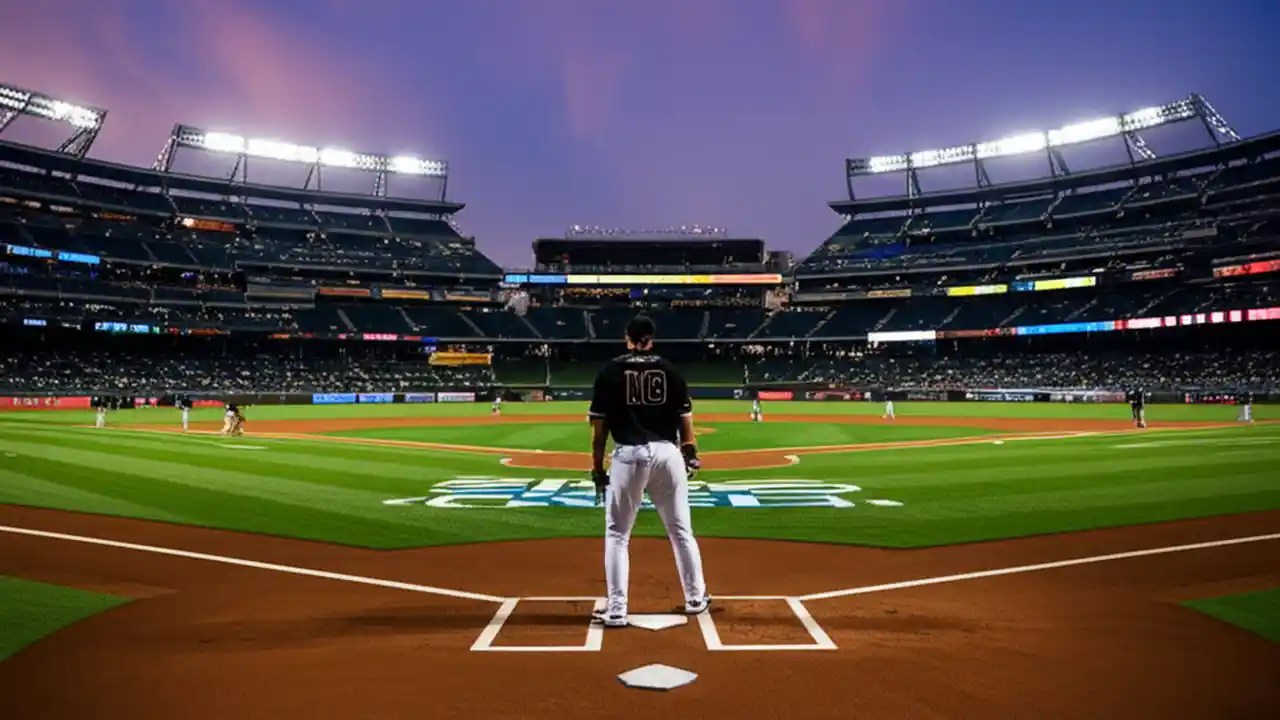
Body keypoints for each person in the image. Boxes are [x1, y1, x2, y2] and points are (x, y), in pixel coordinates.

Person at [587, 314, 709, 628]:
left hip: (629, 455)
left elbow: (599, 429)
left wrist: (597, 467)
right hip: (668, 454)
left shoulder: (610, 371)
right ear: (651, 339)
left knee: (617, 535)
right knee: (681, 531)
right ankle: (696, 598)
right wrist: (690, 452)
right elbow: (686, 421)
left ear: (627, 337)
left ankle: (617, 609)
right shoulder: (670, 369)